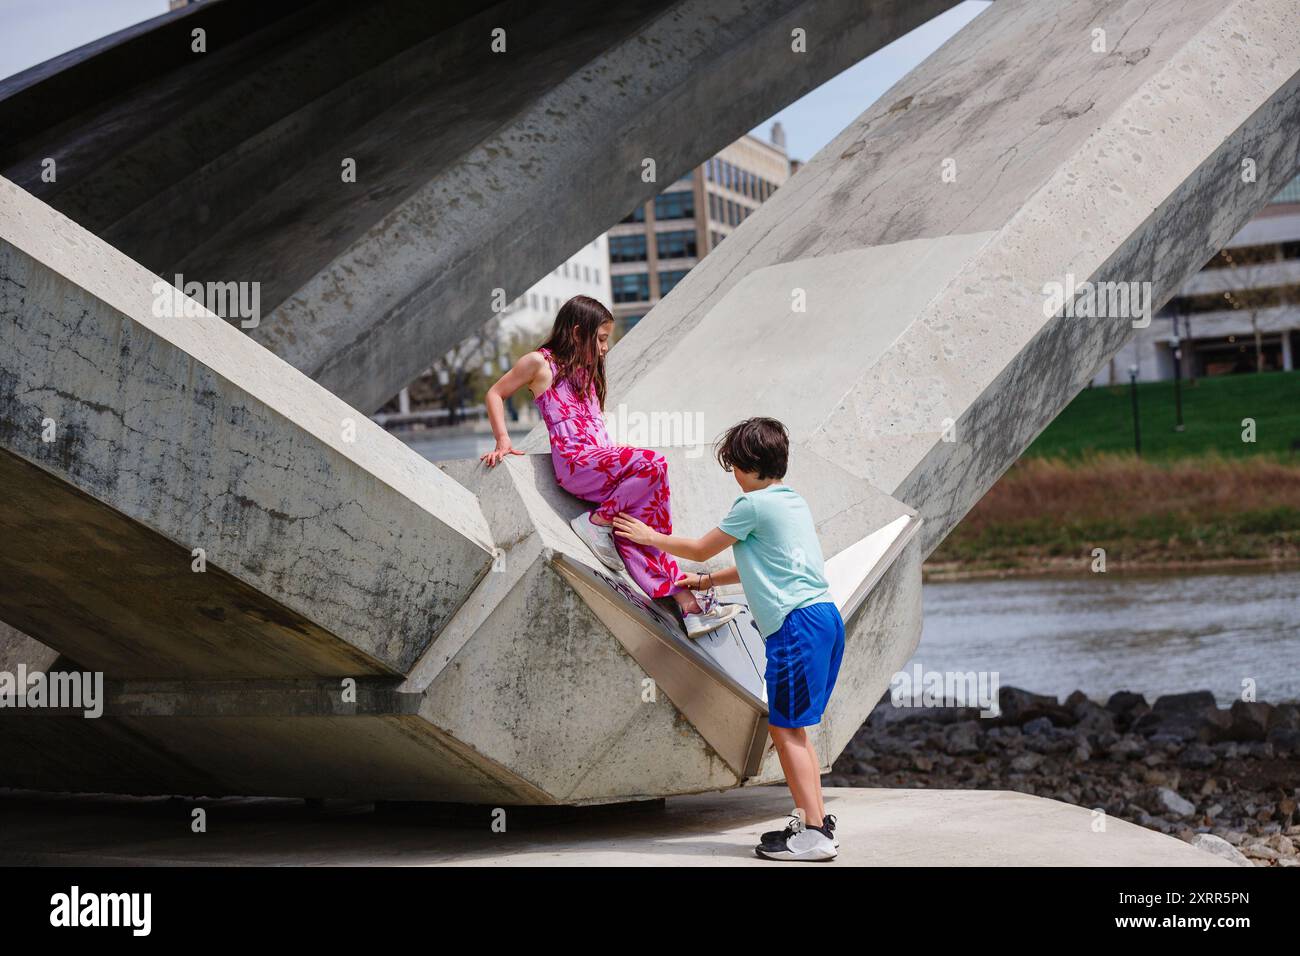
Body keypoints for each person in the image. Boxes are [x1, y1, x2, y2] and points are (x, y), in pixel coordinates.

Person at [612, 416, 845, 861]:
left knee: (784, 729)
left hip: (795, 625)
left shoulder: (752, 506)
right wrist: (704, 583)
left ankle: (815, 836)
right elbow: (760, 565)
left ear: (752, 465)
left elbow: (701, 548)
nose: (734, 475)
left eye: (735, 466)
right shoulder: (792, 502)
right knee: (794, 729)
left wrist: (649, 537)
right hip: (824, 618)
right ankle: (813, 819)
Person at [480, 295, 740, 638]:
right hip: (576, 465)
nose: (605, 348)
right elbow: (495, 393)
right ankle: (595, 521)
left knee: (642, 526)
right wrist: (503, 440)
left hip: (602, 465)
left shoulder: (586, 371)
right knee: (654, 464)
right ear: (577, 332)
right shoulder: (539, 363)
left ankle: (686, 603)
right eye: (601, 339)